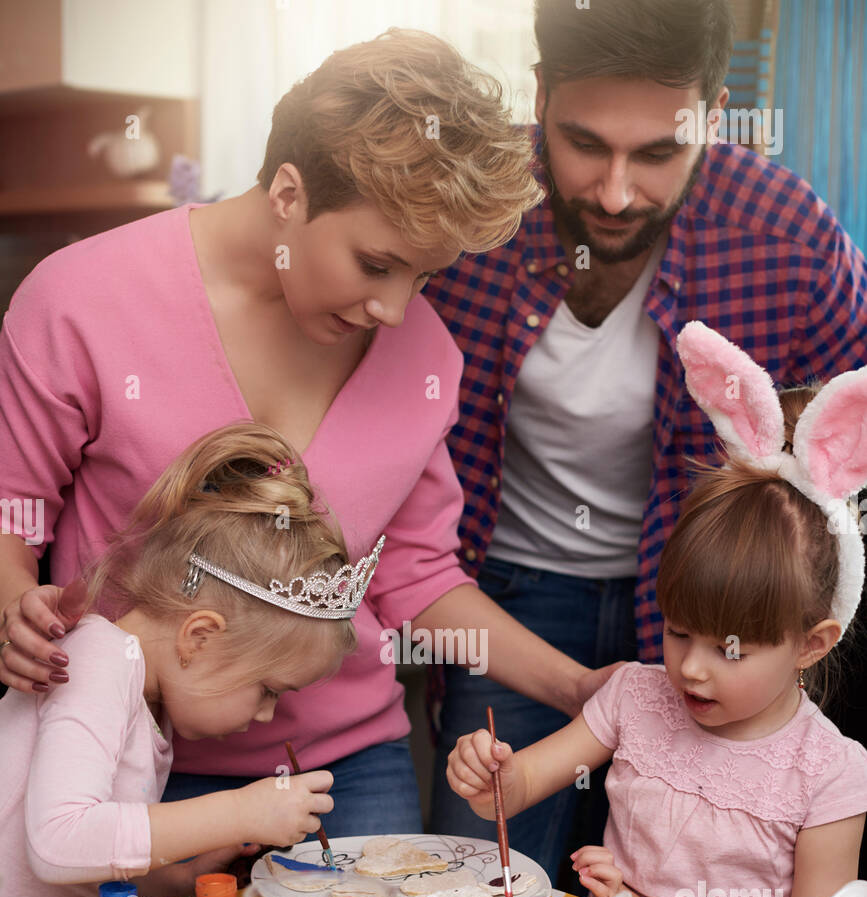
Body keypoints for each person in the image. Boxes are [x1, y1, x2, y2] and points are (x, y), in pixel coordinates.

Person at [0, 29, 616, 840]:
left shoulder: (426, 356)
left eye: (424, 276)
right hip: (117, 761)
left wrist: (578, 689)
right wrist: (13, 600)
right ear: (288, 193)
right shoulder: (81, 299)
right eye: (375, 263)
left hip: (346, 773)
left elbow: (415, 573)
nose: (396, 311)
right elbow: (16, 509)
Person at [424, 0, 867, 887]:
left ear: (711, 114)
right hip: (505, 600)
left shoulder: (787, 238)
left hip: (713, 603)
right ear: (539, 96)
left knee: (693, 877)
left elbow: (845, 455)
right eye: (583, 143)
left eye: (658, 153)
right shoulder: (464, 218)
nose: (616, 192)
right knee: (479, 883)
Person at [445, 323, 867, 897]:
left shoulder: (831, 773)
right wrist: (490, 778)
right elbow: (519, 788)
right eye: (677, 632)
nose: (690, 669)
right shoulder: (633, 698)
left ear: (811, 643)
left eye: (730, 649)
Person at [0, 422, 378, 897]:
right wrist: (242, 811)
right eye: (268, 689)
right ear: (198, 637)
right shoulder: (97, 661)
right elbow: (58, 842)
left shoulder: (148, 700)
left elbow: (87, 874)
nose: (267, 714)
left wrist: (180, 878)